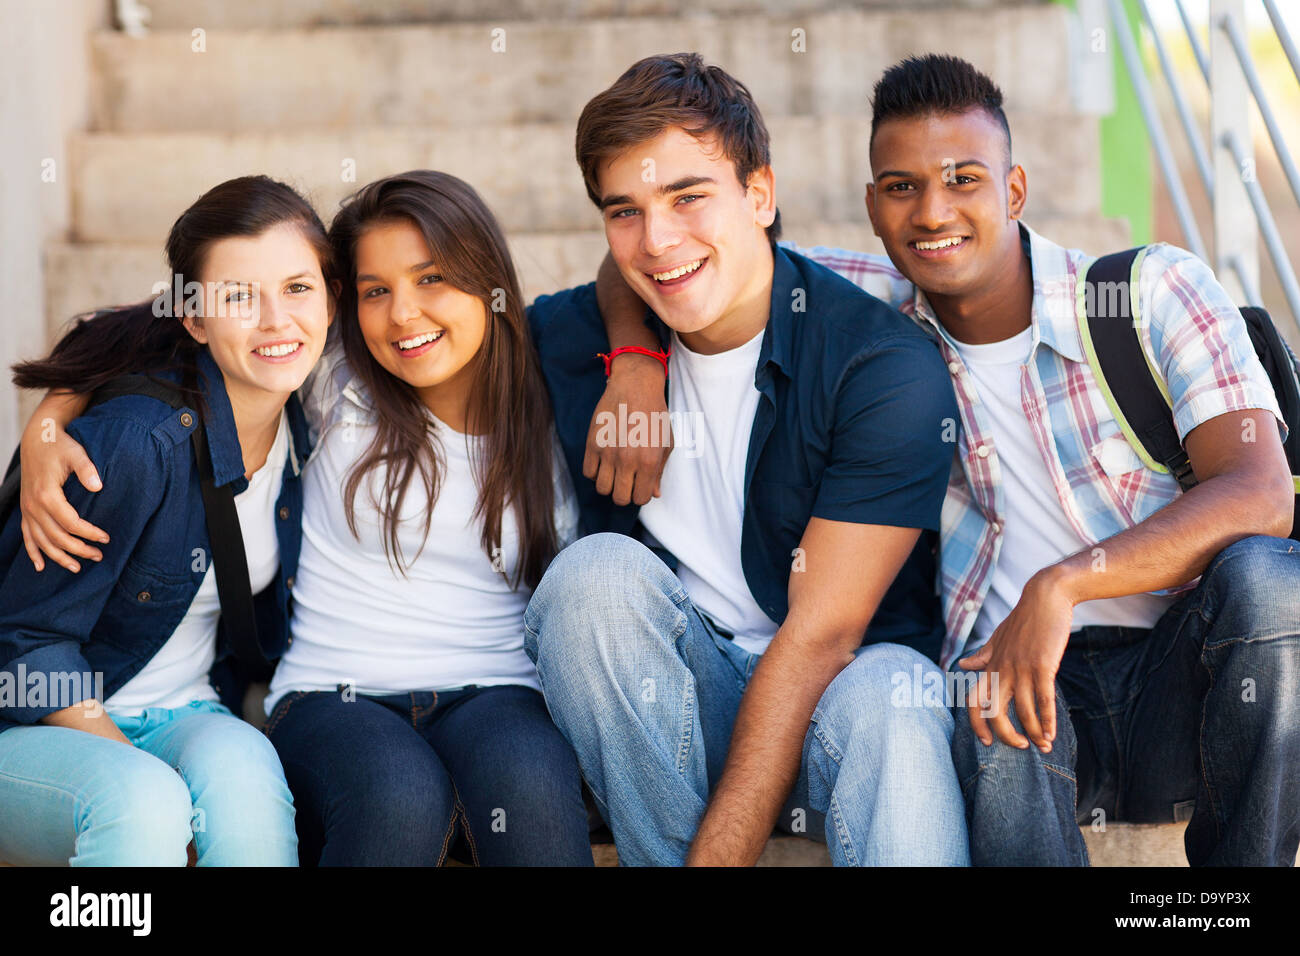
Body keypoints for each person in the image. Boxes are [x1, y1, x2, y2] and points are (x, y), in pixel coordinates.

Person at [598, 53, 1300, 867]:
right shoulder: (860, 312)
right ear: (872, 206)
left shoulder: (1147, 293)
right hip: (1015, 702)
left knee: (1272, 581)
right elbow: (673, 257)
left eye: (964, 179)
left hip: (1188, 683)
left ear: (1014, 190)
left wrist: (1063, 584)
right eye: (901, 187)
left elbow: (1259, 493)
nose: (933, 212)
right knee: (981, 693)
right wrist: (634, 362)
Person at [18, 171, 593, 866]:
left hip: (486, 687)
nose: (404, 314)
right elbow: (169, 317)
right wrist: (49, 423)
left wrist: (637, 367)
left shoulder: (557, 375)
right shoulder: (334, 377)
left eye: (433, 277)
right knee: (396, 796)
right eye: (378, 290)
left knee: (532, 789)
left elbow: (637, 285)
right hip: (322, 690)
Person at [524, 53, 969, 866]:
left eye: (688, 197)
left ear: (759, 194)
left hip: (840, 701)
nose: (658, 240)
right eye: (625, 211)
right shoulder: (584, 339)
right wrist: (634, 358)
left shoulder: (880, 366)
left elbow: (821, 639)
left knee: (893, 695)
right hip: (677, 708)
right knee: (593, 582)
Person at [0, 175, 332, 866]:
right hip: (36, 726)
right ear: (196, 319)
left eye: (299, 287)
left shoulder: (310, 412)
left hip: (187, 711)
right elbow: (23, 642)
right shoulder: (133, 446)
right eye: (240, 295)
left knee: (249, 788)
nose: (278, 320)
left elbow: (110, 322)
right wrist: (132, 761)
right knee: (143, 805)